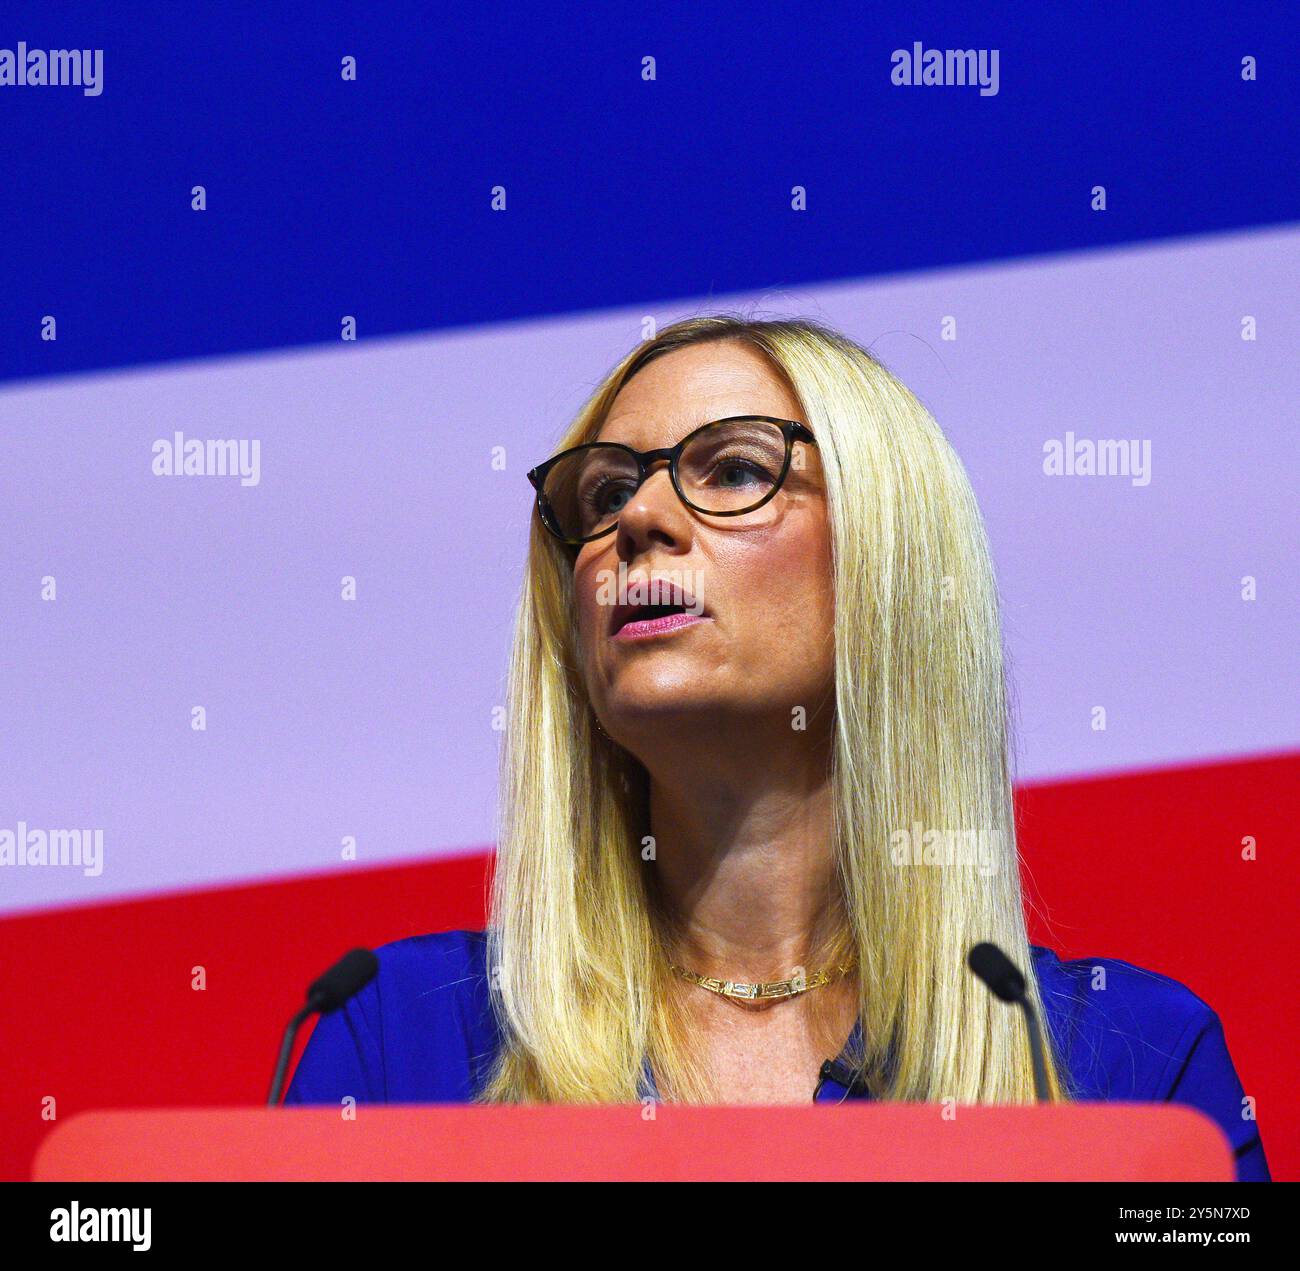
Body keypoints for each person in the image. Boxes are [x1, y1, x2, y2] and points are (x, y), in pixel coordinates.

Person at [284, 315, 1269, 1180]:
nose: (637, 519)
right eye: (602, 494)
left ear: (889, 561)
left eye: (738, 469)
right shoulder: (395, 1040)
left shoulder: (1126, 1064)